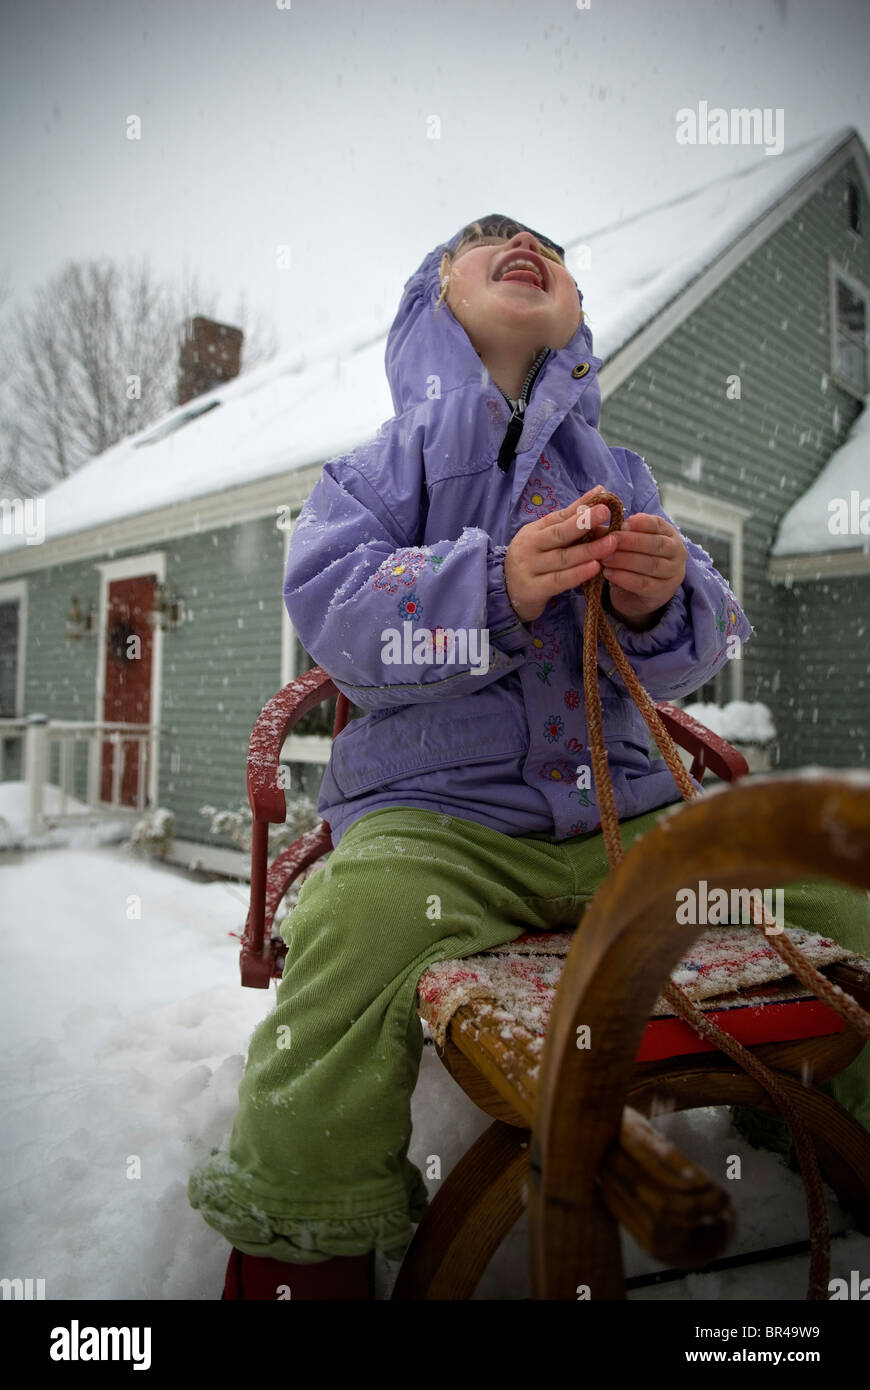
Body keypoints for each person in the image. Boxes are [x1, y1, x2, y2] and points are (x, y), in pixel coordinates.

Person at [188, 214, 870, 1300]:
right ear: (432, 304)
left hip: (625, 827)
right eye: (488, 240)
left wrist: (665, 600)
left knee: (835, 893)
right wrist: (490, 582)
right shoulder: (375, 471)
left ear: (577, 319)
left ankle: (825, 1129)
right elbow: (337, 612)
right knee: (354, 925)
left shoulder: (620, 471)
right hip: (440, 830)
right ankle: (297, 1237)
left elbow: (706, 640)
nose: (525, 244)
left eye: (548, 247)